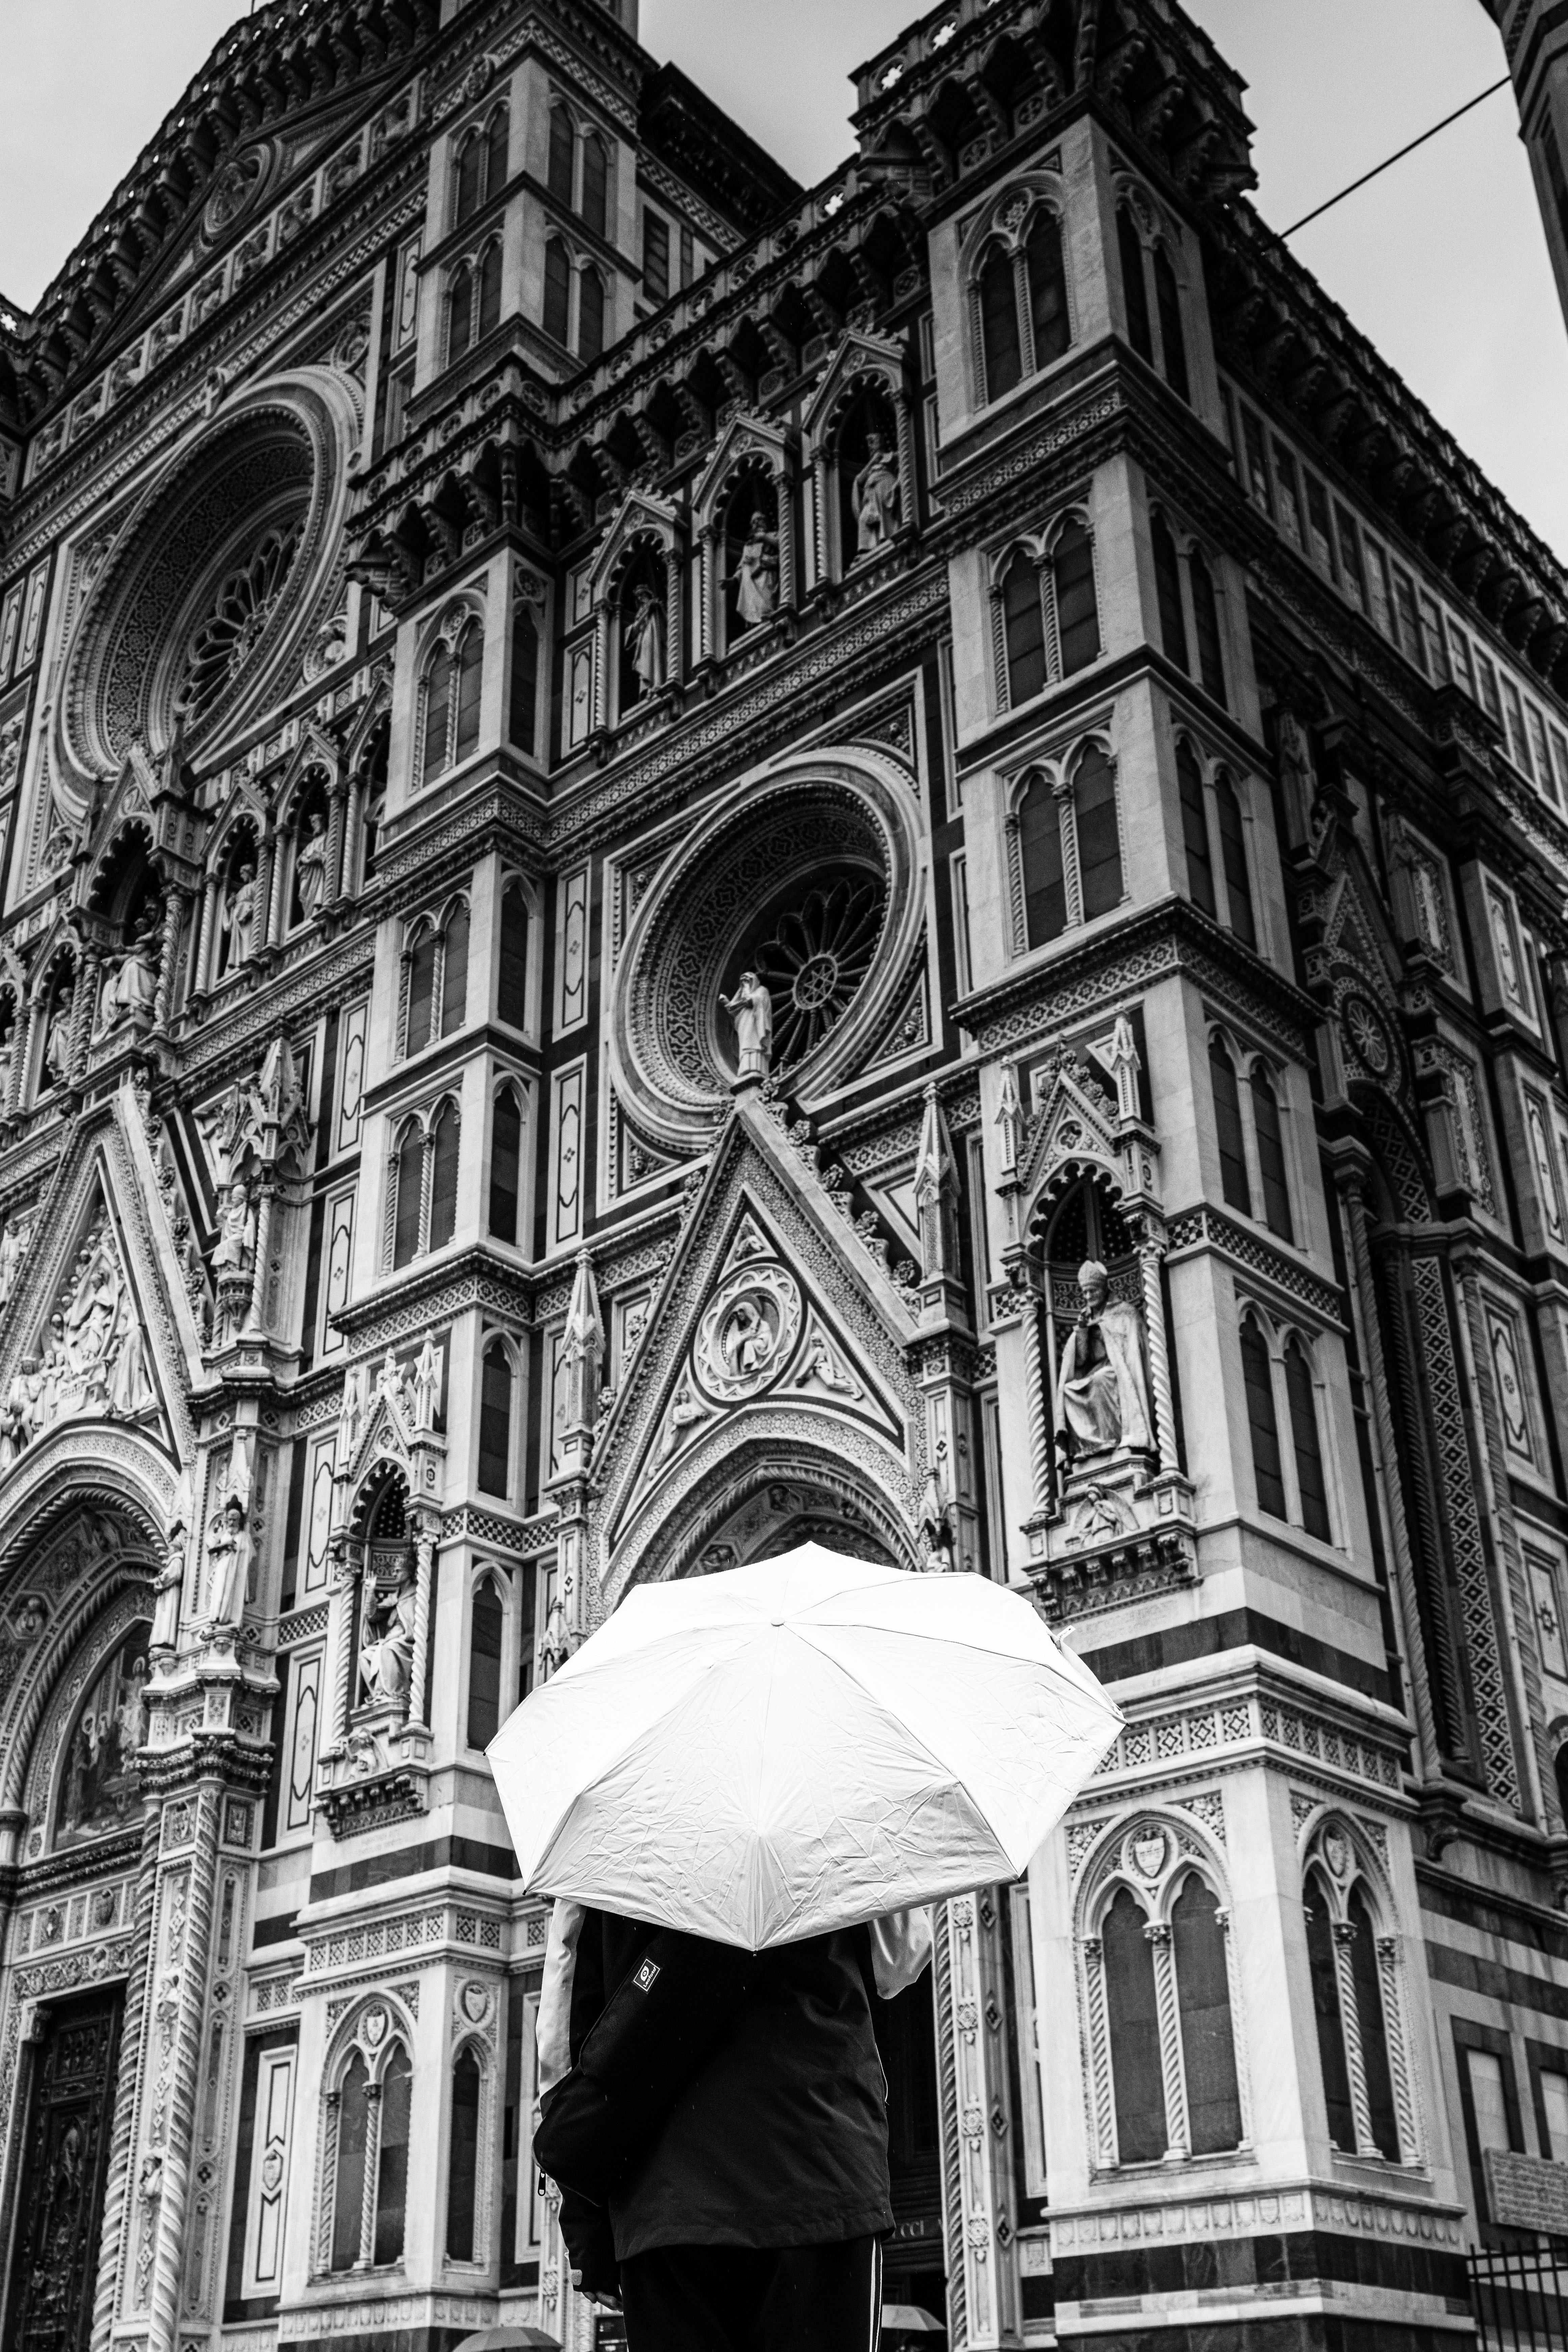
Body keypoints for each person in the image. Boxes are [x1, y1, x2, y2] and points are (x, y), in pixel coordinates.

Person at [537, 1902, 931, 2352]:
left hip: (666, 2192)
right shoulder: (837, 1829)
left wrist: (584, 2218)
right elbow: (900, 1957)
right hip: (819, 2165)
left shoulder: (602, 1836)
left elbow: (560, 2032)